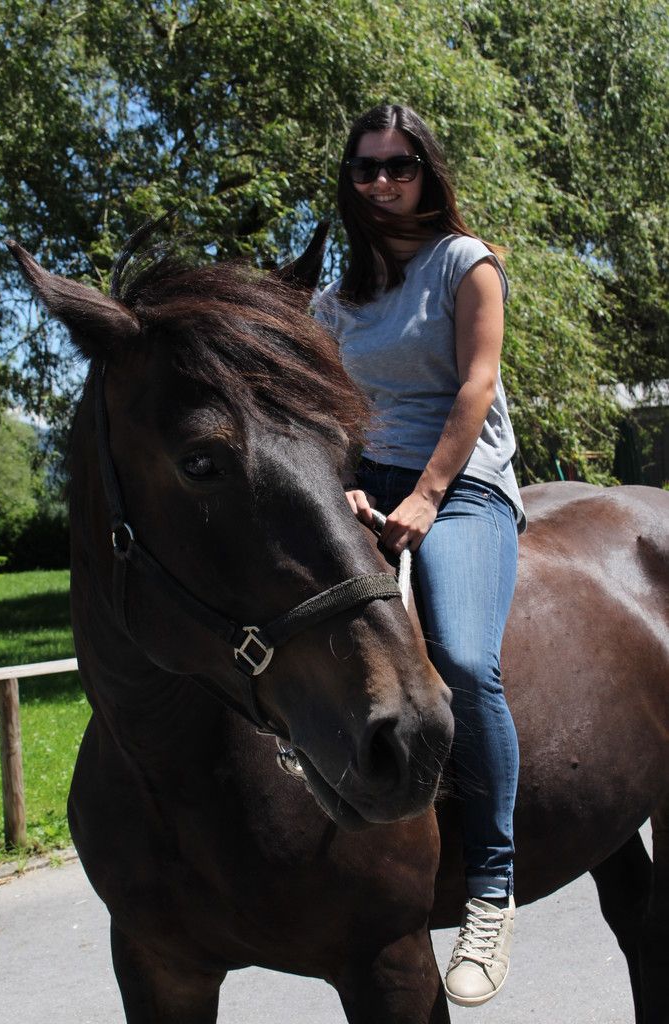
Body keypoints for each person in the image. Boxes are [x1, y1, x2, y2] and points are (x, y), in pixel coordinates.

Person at [314, 102, 526, 1008]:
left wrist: (427, 497)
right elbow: (326, 413)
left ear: (425, 170)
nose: (381, 183)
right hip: (365, 480)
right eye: (364, 170)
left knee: (466, 658)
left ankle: (492, 884)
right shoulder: (333, 300)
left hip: (462, 478)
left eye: (397, 166)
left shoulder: (464, 264)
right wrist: (346, 485)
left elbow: (475, 386)